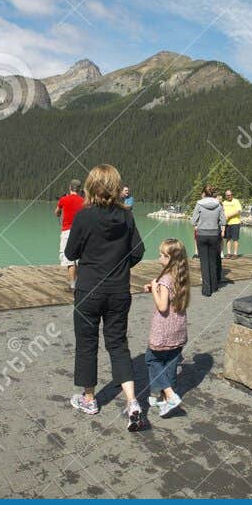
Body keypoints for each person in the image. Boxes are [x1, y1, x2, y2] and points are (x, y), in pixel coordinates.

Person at [64, 164, 148, 431]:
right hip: (118, 290)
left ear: (91, 186)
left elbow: (70, 252)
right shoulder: (126, 217)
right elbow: (138, 251)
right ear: (115, 187)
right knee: (118, 344)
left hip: (89, 289)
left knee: (87, 343)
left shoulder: (83, 216)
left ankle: (89, 399)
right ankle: (133, 402)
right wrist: (119, 266)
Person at [144, 238, 190, 418]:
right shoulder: (181, 276)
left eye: (163, 255)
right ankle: (165, 400)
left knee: (152, 359)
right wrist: (154, 288)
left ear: (171, 258)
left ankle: (170, 395)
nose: (159, 258)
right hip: (178, 328)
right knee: (170, 362)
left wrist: (155, 288)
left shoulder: (164, 279)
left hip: (163, 329)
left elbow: (162, 307)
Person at [190, 186, 224, 297]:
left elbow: (193, 221)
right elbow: (223, 220)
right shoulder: (218, 204)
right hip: (214, 234)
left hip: (202, 235)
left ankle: (206, 289)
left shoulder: (199, 204)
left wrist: (201, 221)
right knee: (213, 260)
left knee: (204, 262)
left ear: (204, 193)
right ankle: (214, 287)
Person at [55, 179, 85, 290]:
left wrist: (61, 211)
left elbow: (56, 212)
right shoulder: (83, 201)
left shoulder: (63, 199)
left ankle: (73, 284)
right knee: (79, 258)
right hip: (81, 232)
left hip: (67, 232)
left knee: (69, 259)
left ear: (70, 187)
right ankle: (80, 282)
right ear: (80, 189)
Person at [221, 189, 243, 259]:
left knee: (235, 239)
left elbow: (239, 211)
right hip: (227, 223)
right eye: (228, 195)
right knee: (228, 238)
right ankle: (229, 253)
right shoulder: (224, 202)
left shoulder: (236, 201)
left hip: (235, 222)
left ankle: (235, 254)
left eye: (230, 195)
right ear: (226, 196)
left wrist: (229, 216)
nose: (229, 196)